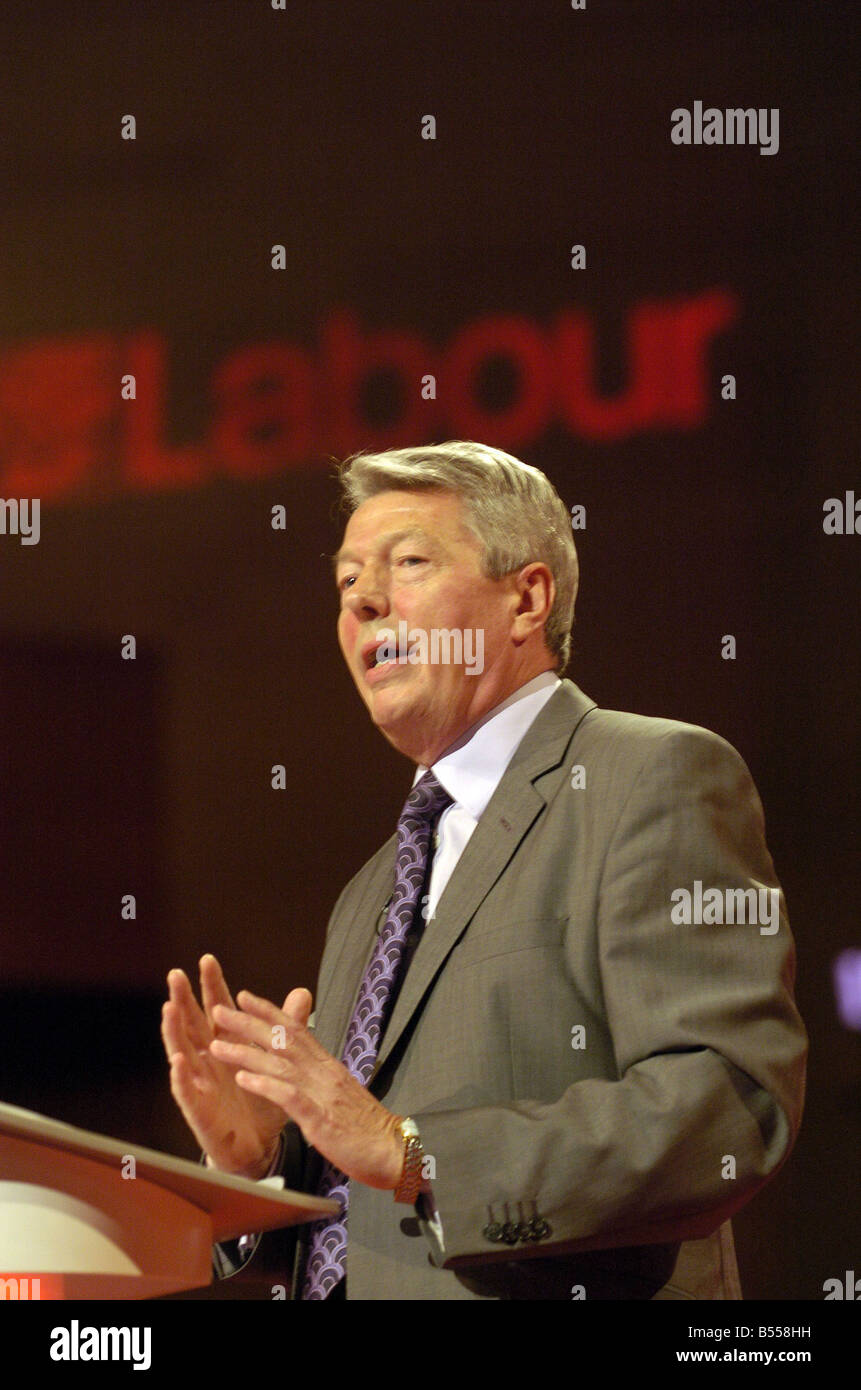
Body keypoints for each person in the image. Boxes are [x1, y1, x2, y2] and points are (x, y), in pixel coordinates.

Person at [161, 441, 807, 1300]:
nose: (362, 599)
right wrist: (260, 1168)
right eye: (347, 580)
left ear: (526, 599)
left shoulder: (650, 776)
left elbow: (725, 1106)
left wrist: (413, 1152)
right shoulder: (369, 892)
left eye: (408, 563)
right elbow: (364, 1218)